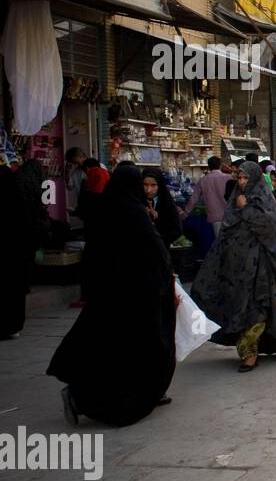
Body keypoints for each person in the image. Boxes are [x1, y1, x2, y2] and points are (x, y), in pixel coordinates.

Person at [47, 165, 177, 424]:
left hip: (110, 294)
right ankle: (113, 399)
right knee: (140, 350)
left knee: (108, 351)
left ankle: (83, 395)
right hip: (139, 295)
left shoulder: (104, 210)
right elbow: (156, 253)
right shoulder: (134, 213)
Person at [191, 161, 276, 371]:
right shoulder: (235, 201)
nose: (241, 182)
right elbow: (227, 231)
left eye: (245, 178)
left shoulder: (264, 200)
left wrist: (246, 209)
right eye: (239, 178)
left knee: (258, 309)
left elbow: (269, 228)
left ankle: (249, 353)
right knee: (240, 309)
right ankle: (248, 350)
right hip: (238, 271)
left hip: (262, 269)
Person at [0, 163, 41, 340]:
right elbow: (29, 231)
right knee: (14, 292)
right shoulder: (19, 205)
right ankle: (13, 326)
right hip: (17, 258)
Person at [185, 156, 231, 237]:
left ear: (209, 167)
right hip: (229, 214)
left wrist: (186, 213)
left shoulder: (204, 180)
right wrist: (230, 169)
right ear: (220, 165)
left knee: (218, 242)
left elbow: (194, 198)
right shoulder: (228, 178)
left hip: (214, 216)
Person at [142, 167, 182, 247]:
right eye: (145, 185)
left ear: (159, 185)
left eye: (153, 185)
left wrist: (161, 241)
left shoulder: (166, 201)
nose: (148, 190)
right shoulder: (138, 201)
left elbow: (177, 229)